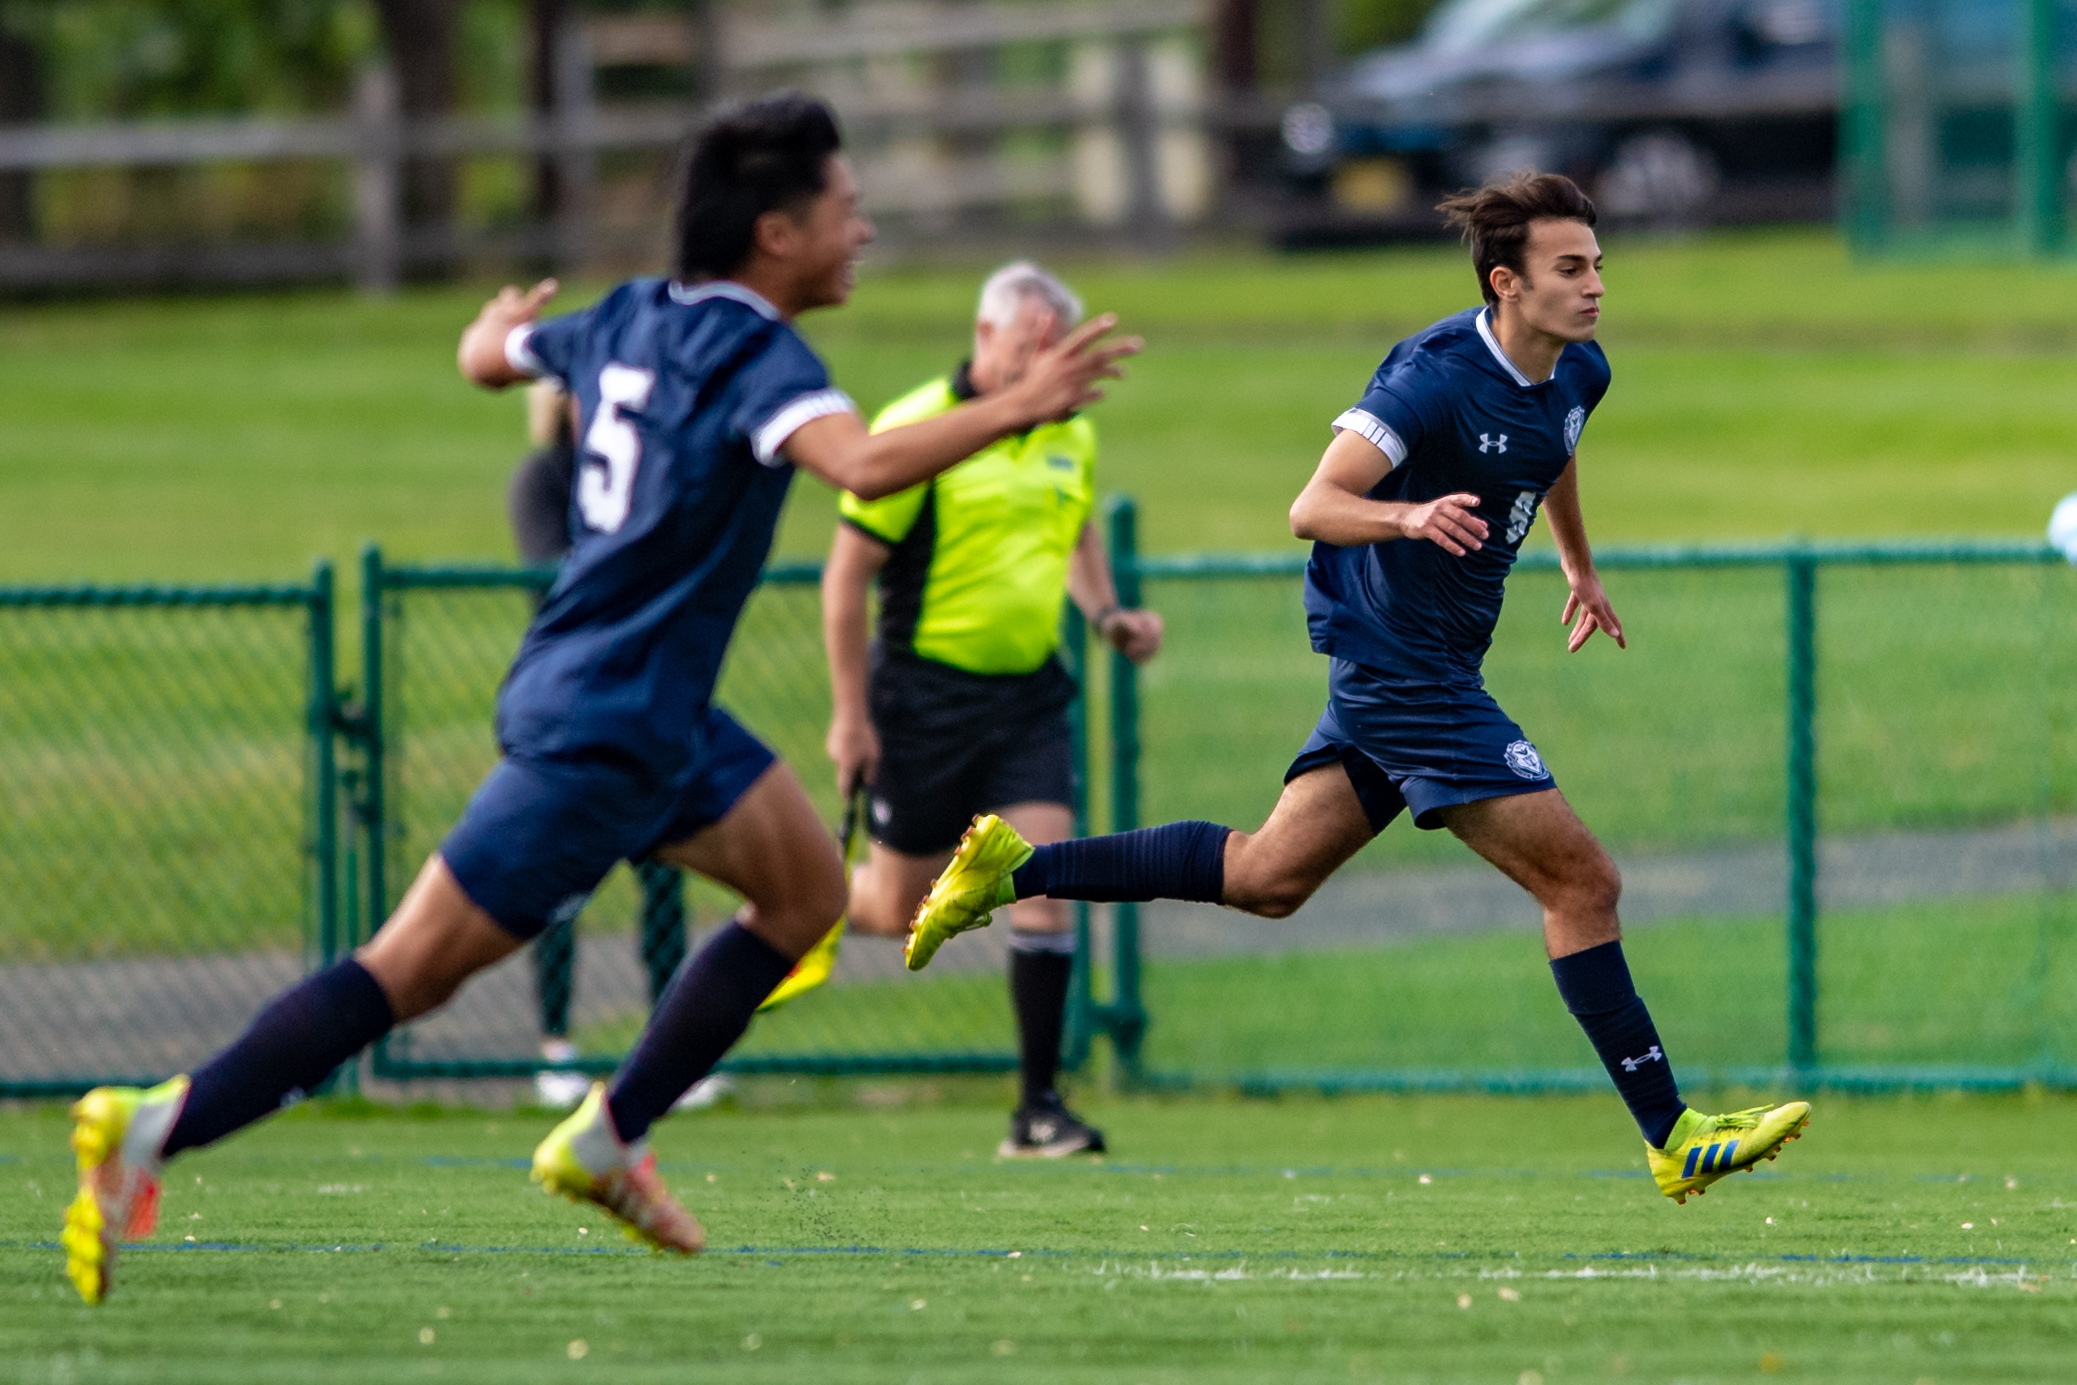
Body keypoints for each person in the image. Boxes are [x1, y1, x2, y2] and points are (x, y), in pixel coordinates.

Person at [61, 91, 1138, 1304]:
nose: (865, 230)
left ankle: (611, 1134)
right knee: (408, 971)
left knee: (807, 893)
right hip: (607, 726)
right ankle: (155, 1125)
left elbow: (487, 360)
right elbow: (865, 462)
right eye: (847, 208)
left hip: (649, 712)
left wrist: (492, 331)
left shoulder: (625, 313)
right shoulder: (757, 355)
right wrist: (1017, 406)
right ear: (776, 232)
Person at [904, 172, 1810, 1205]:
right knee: (1583, 883)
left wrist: (1577, 564)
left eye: (1597, 264)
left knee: (1266, 877)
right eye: (1570, 268)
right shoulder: (1430, 381)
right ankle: (1671, 1131)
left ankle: (1012, 871)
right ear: (1506, 283)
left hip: (1423, 670)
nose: (1595, 284)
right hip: (1404, 677)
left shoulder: (1578, 368)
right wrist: (1407, 517)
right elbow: (1313, 503)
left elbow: (1552, 447)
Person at [823, 261, 1162, 1158]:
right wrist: (849, 715)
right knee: (895, 907)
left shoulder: (1069, 433)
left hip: (1026, 699)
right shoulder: (915, 428)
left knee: (1042, 880)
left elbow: (1075, 527)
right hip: (921, 701)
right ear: (983, 335)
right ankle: (801, 891)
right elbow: (844, 578)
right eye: (1026, 345)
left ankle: (1038, 1109)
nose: (1041, 364)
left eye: (1054, 347)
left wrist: (1107, 615)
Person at [505, 380, 709, 1112]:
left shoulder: (648, 476)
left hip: (649, 697)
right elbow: (559, 582)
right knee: (558, 881)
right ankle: (556, 1046)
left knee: (665, 876)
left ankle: (669, 1049)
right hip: (573, 703)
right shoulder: (545, 478)